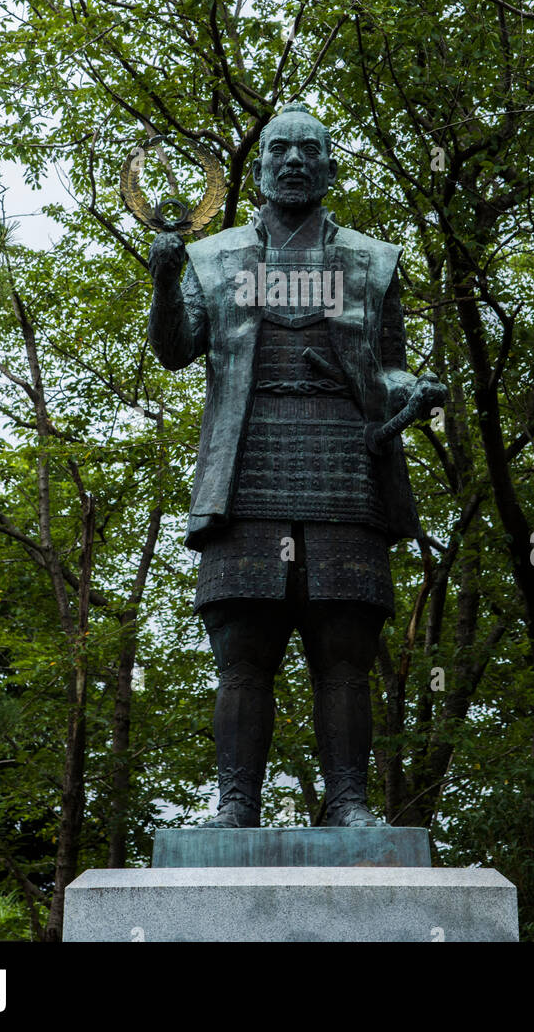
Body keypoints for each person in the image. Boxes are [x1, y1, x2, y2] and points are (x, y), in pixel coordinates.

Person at [147, 104, 443, 826]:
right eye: (279, 149)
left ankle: (347, 800)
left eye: (309, 150)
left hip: (344, 464)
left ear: (329, 167)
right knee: (242, 648)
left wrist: (416, 391)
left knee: (344, 647)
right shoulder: (211, 259)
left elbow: (393, 367)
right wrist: (160, 281)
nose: (292, 161)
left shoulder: (373, 261)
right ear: (261, 169)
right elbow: (175, 349)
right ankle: (235, 804)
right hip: (244, 465)